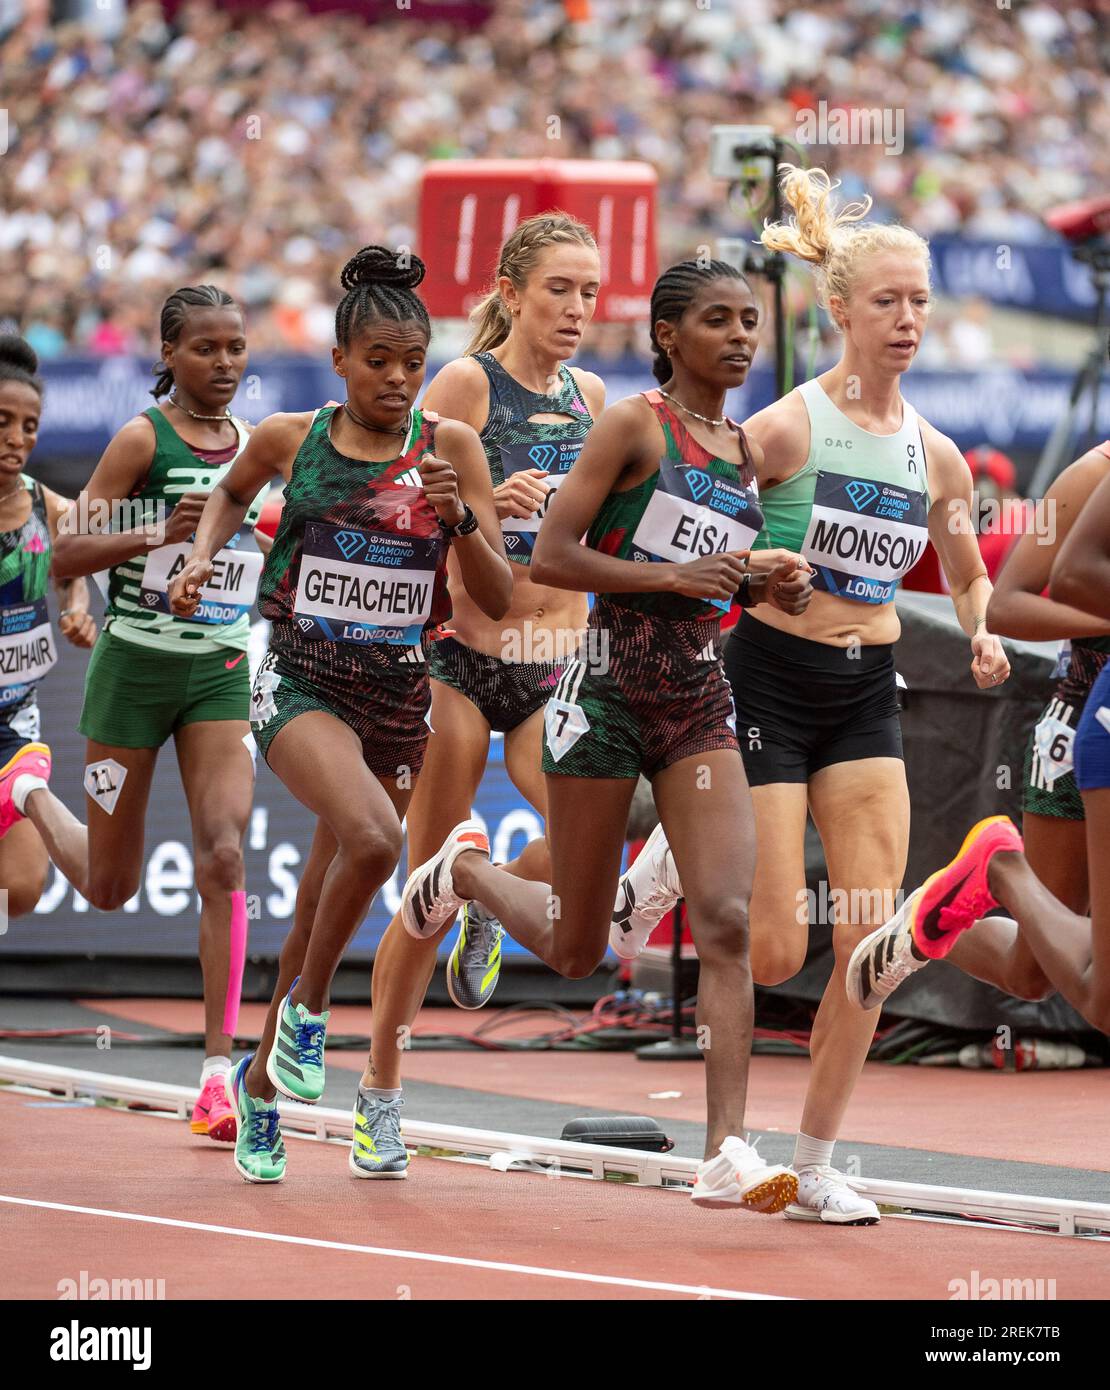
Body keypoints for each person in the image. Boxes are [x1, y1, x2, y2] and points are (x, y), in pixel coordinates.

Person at [610, 168, 1011, 1225]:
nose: (910, 319)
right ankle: (668, 856)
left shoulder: (937, 453)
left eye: (922, 301)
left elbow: (966, 565)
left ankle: (821, 1161)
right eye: (889, 301)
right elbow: (695, 534)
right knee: (781, 948)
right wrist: (750, 569)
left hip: (867, 692)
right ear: (840, 310)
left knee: (872, 945)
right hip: (771, 685)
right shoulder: (783, 431)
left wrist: (977, 626)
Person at [398, 258, 813, 1213]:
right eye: (718, 321)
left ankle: (728, 1150)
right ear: (671, 336)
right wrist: (681, 579)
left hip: (697, 701)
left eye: (749, 319)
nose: (742, 337)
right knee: (580, 950)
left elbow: (712, 568)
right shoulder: (632, 423)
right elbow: (554, 553)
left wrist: (762, 577)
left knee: (725, 919)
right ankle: (466, 875)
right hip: (604, 691)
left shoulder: (743, 449)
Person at [169, 247, 511, 1183]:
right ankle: (312, 1016)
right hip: (302, 683)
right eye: (379, 362)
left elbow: (502, 596)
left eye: (413, 361)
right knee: (371, 841)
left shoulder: (451, 449)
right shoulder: (291, 437)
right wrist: (205, 553)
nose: (398, 379)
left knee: (323, 896)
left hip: (400, 700)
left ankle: (263, 1090)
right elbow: (232, 491)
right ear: (341, 362)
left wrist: (464, 521)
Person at [358, 214, 605, 1160]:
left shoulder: (591, 395)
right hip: (460, 657)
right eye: (559, 290)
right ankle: (381, 1089)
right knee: (420, 882)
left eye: (589, 292)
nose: (578, 309)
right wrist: (477, 506)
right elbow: (388, 496)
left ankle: (489, 898)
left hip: (556, 664)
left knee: (590, 868)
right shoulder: (465, 384)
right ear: (511, 293)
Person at [11, 288, 268, 1144]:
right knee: (111, 887)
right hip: (130, 674)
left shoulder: (257, 449)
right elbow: (69, 555)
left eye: (236, 348)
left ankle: (215, 1076)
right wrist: (156, 531)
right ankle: (25, 794)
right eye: (205, 349)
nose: (224, 364)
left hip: (221, 671)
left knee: (224, 856)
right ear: (168, 353)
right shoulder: (139, 440)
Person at [848, 465, 1110, 1033]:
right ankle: (977, 878)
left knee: (1040, 973)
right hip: (1078, 724)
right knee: (1035, 973)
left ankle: (934, 906)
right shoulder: (1093, 473)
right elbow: (1007, 606)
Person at [0, 335, 97, 912]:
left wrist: (76, 607)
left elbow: (72, 565)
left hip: (15, 725)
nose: (17, 439)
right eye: (2, 422)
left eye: (29, 426)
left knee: (21, 889)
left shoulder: (50, 508)